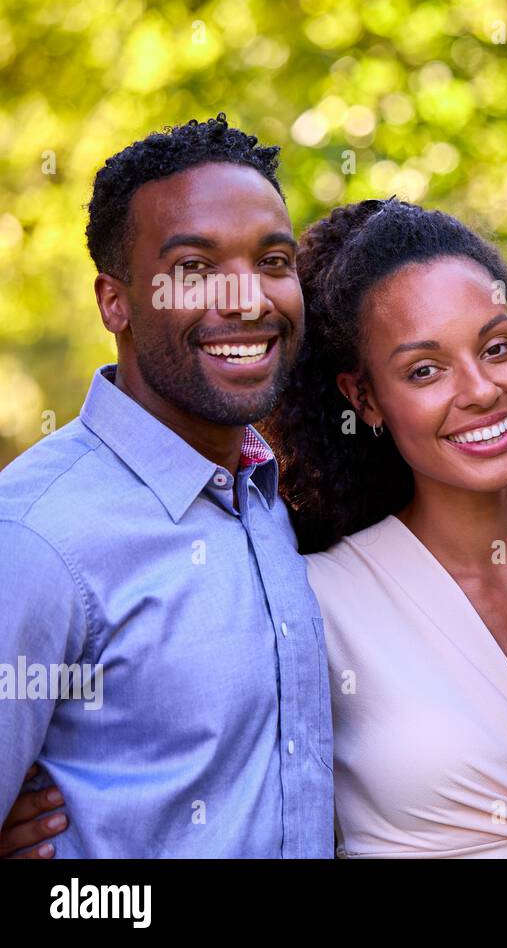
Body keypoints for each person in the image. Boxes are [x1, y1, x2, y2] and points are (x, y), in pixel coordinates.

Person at [0, 114, 333, 857]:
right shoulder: (35, 540)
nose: (249, 298)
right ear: (114, 301)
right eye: (195, 269)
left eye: (273, 260)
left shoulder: (282, 500)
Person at [262, 199, 507, 857]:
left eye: (496, 347)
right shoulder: (317, 604)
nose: (480, 389)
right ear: (366, 398)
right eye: (425, 370)